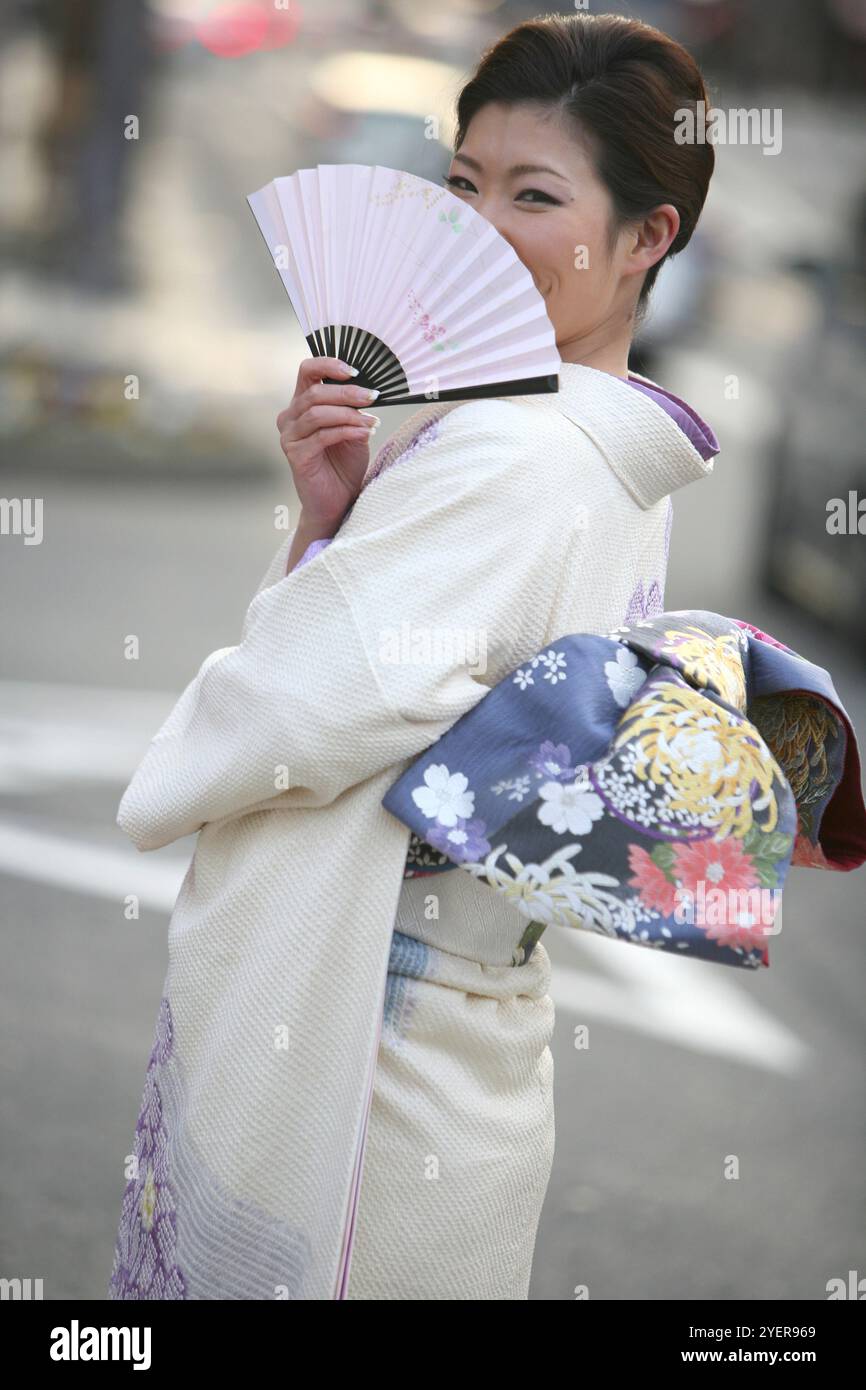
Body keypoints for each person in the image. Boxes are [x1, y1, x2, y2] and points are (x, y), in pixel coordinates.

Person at [109, 12, 720, 1302]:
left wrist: (183, 757)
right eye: (464, 185)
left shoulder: (524, 451)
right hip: (469, 1019)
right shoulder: (607, 450)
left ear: (645, 238)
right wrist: (332, 518)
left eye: (536, 196)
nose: (480, 229)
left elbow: (304, 712)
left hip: (364, 1039)